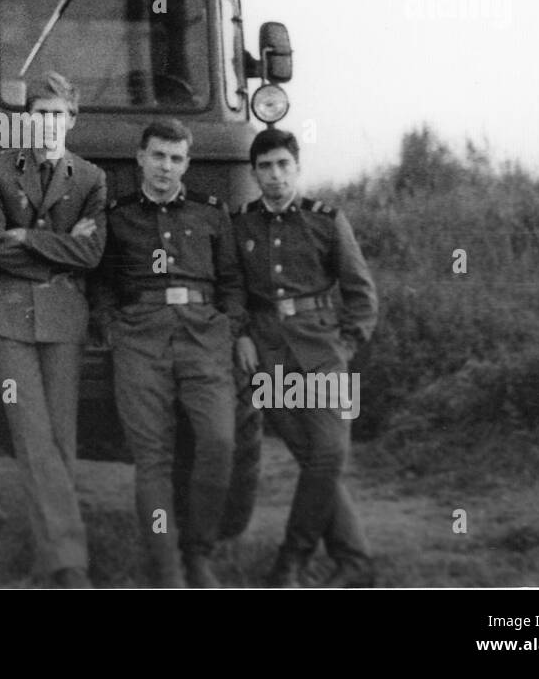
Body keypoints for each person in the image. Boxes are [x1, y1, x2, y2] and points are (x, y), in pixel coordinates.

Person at [0, 71, 107, 588]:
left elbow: (91, 254)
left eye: (58, 115)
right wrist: (57, 250)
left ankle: (49, 554)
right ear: (27, 119)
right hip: (8, 318)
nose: (48, 124)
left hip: (64, 318)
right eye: (40, 114)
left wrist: (24, 235)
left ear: (72, 120)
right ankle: (70, 565)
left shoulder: (91, 178)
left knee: (61, 440)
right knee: (32, 438)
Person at [228, 127, 378, 588]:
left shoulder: (326, 220)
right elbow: (232, 290)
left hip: (322, 352)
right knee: (313, 458)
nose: (274, 176)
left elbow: (361, 294)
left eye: (282, 165)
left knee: (329, 454)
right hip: (269, 355)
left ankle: (290, 560)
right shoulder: (239, 224)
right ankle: (354, 563)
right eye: (265, 167)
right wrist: (241, 335)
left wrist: (345, 348)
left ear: (297, 168)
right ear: (254, 173)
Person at [95, 118, 240, 588]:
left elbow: (232, 282)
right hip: (140, 338)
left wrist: (228, 329)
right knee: (152, 457)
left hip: (203, 336)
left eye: (176, 159)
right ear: (140, 157)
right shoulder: (116, 216)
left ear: (187, 164)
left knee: (218, 442)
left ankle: (198, 552)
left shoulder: (211, 213)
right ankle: (168, 570)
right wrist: (114, 328)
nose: (166, 167)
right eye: (158, 156)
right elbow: (99, 284)